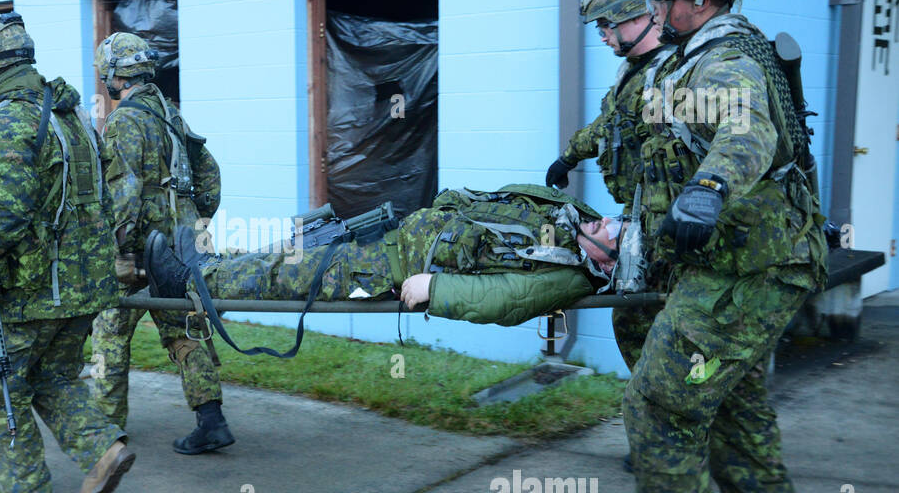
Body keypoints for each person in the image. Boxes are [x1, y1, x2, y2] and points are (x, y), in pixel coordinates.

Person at [596, 0, 827, 493]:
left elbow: (745, 128)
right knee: (734, 396)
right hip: (752, 259)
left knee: (660, 394)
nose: (652, 8)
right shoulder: (692, 57)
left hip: (750, 268)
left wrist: (709, 189)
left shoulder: (724, 61)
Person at [0, 12, 134, 493]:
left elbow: (4, 213)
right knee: (53, 379)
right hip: (81, 286)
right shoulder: (66, 113)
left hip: (30, 290)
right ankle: (103, 451)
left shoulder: (9, 118)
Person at [143, 184, 625, 325]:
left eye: (616, 234)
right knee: (295, 245)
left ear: (607, 263)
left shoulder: (566, 275)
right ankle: (208, 265)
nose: (607, 222)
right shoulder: (571, 219)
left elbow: (504, 299)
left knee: (286, 272)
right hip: (394, 233)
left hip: (383, 269)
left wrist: (434, 288)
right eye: (614, 219)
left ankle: (187, 282)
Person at [88, 32, 234, 455]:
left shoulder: (124, 121)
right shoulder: (172, 115)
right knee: (184, 327)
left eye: (106, 75)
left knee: (110, 328)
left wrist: (116, 251)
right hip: (182, 247)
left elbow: (125, 194)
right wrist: (193, 222)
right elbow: (210, 176)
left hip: (140, 250)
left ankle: (105, 431)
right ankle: (211, 420)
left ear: (115, 75)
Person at [546, 0, 676, 385]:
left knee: (645, 324)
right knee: (637, 322)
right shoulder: (633, 73)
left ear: (634, 18)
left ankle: (665, 426)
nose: (601, 35)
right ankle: (663, 421)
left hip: (670, 224)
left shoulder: (672, 75)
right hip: (642, 220)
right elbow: (608, 126)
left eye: (606, 25)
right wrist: (568, 158)